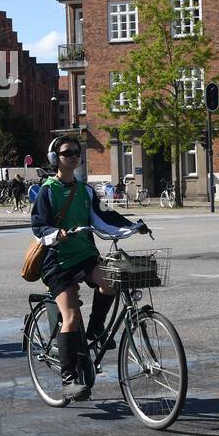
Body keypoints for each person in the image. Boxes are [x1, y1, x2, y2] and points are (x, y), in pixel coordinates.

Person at [31, 136, 147, 400]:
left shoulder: (85, 191)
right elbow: (38, 228)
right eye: (66, 153)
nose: (73, 156)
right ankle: (69, 379)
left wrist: (133, 226)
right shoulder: (47, 191)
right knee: (71, 317)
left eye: (76, 152)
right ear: (54, 159)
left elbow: (103, 217)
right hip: (58, 262)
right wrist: (55, 234)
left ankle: (95, 328)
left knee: (112, 280)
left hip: (85, 256)